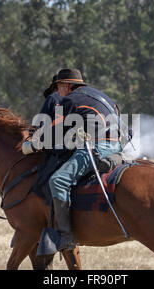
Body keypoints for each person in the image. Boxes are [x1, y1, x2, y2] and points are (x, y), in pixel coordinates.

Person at [47, 68, 123, 250]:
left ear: (66, 85)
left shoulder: (68, 100)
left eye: (58, 86)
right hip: (118, 144)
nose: (58, 91)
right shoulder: (102, 96)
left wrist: (33, 144)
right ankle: (115, 158)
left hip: (96, 147)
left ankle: (66, 236)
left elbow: (55, 135)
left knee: (58, 180)